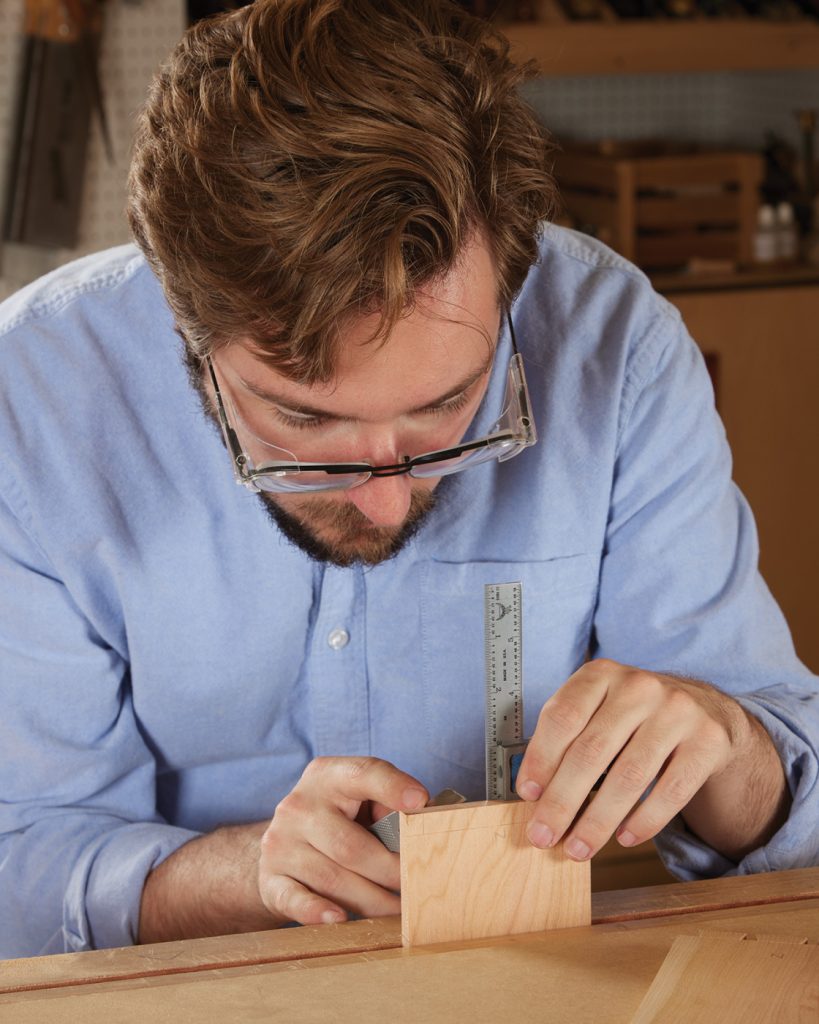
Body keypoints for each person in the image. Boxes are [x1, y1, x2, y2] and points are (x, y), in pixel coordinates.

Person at [0, 0, 816, 960]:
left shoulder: (612, 346)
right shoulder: (36, 402)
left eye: (446, 408)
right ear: (184, 325)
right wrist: (250, 875)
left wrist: (726, 745)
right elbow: (23, 862)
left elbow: (796, 812)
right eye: (305, 422)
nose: (385, 503)